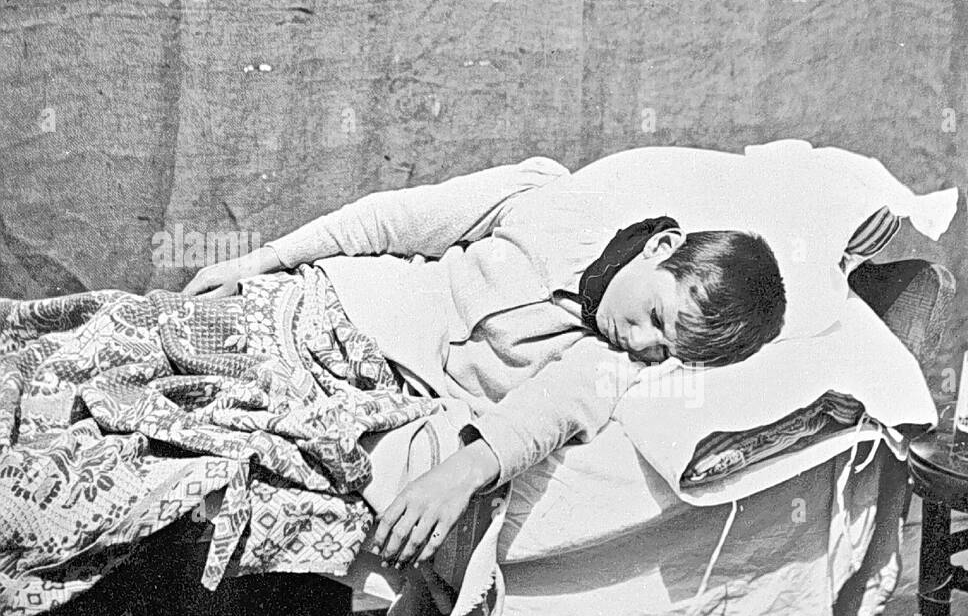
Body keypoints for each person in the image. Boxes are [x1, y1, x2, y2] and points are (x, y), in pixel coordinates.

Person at [183, 156, 785, 574]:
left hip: (371, 391)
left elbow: (547, 414)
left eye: (665, 350)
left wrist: (461, 474)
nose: (641, 342)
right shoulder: (552, 200)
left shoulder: (610, 360)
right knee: (154, 351)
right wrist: (259, 261)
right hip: (333, 306)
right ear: (661, 248)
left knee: (212, 465)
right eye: (656, 315)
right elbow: (395, 220)